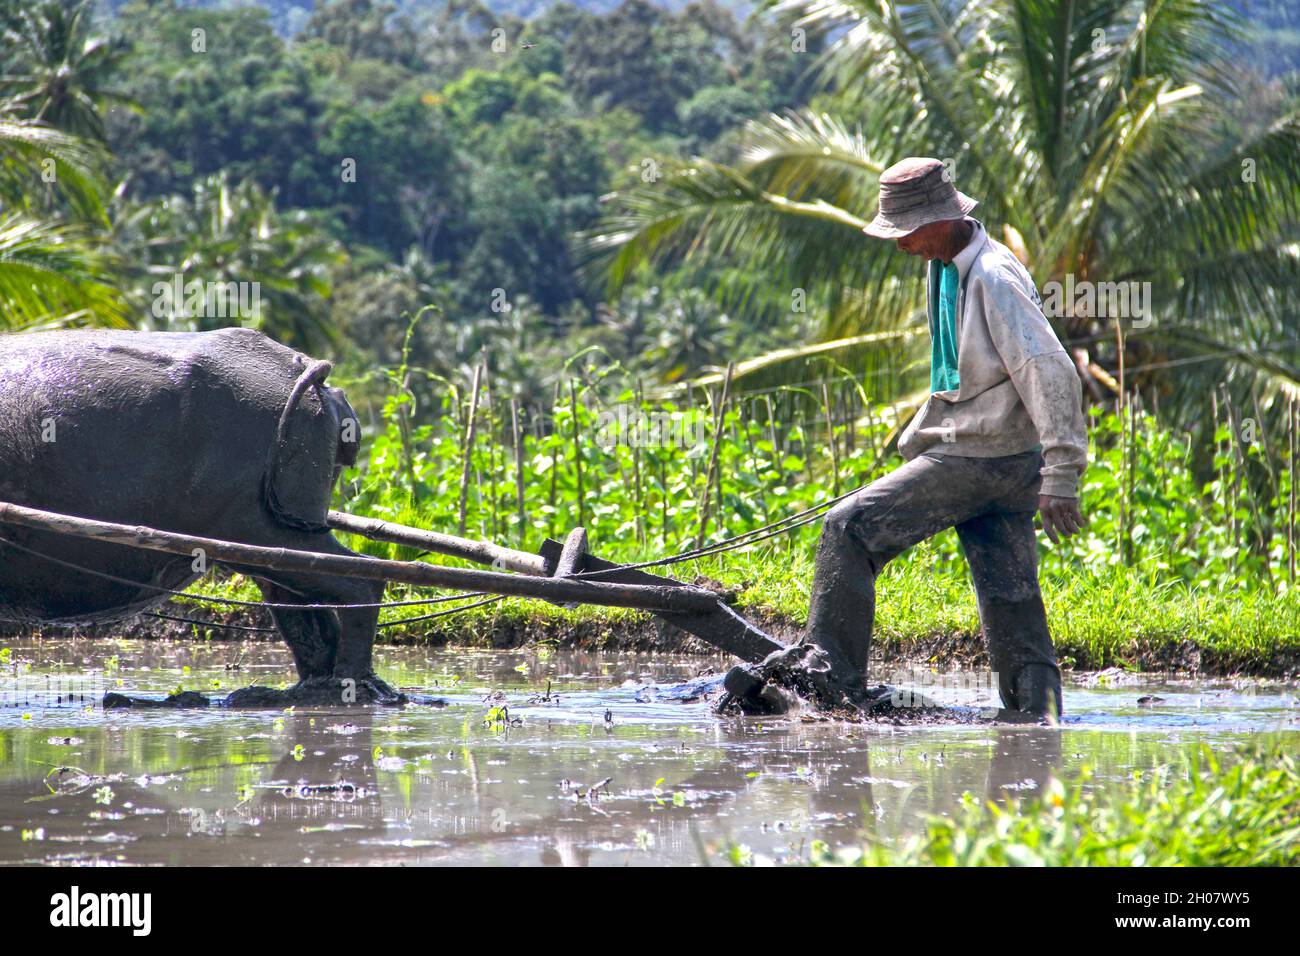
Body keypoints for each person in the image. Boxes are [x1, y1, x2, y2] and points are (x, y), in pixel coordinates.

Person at [806, 156, 1088, 717]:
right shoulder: (949, 265)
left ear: (940, 220)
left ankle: (826, 687)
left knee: (849, 529)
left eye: (906, 233)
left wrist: (1062, 473)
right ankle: (1039, 717)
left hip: (983, 458)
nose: (900, 245)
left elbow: (1049, 369)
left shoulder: (992, 277)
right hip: (1001, 459)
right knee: (1010, 598)